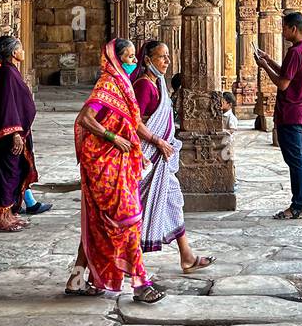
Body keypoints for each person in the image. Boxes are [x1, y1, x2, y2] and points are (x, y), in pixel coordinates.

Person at [65, 37, 168, 303]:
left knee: (99, 222)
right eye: (130, 57)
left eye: (135, 56)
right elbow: (85, 118)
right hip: (105, 164)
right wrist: (112, 137)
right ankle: (140, 284)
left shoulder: (123, 85)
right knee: (128, 221)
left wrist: (155, 142)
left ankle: (80, 278)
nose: (134, 61)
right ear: (115, 58)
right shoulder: (108, 84)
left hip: (120, 164)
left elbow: (133, 124)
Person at [134, 39, 215, 273]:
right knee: (136, 208)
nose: (167, 61)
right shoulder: (144, 86)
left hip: (163, 157)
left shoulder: (158, 84)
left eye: (168, 56)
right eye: (162, 57)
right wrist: (157, 141)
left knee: (173, 201)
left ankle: (186, 256)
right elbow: (133, 121)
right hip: (150, 155)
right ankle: (127, 259)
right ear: (147, 60)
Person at [254, 11, 302, 221]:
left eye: (284, 27)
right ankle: (301, 202)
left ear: (293, 29)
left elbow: (282, 83)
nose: (282, 31)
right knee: (300, 158)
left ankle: (298, 204)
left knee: (295, 161)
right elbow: (288, 74)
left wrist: (263, 67)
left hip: (291, 113)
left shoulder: (295, 52)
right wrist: (269, 60)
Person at [0, 34, 43, 231]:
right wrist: (15, 133)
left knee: (14, 172)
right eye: (21, 48)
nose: (24, 52)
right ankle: (0, 218)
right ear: (14, 52)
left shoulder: (10, 71)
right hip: (8, 134)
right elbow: (7, 105)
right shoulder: (6, 73)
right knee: (6, 174)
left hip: (17, 131)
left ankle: (8, 214)